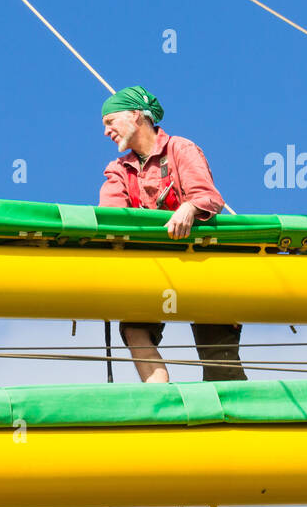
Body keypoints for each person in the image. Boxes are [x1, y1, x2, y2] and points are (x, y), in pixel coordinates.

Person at [97, 85, 246, 384]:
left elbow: (207, 195)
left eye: (110, 122)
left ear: (136, 116)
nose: (106, 131)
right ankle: (161, 397)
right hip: (153, 266)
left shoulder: (180, 149)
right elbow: (109, 217)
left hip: (200, 264)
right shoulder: (119, 170)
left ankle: (233, 408)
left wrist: (190, 208)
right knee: (135, 328)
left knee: (215, 338)